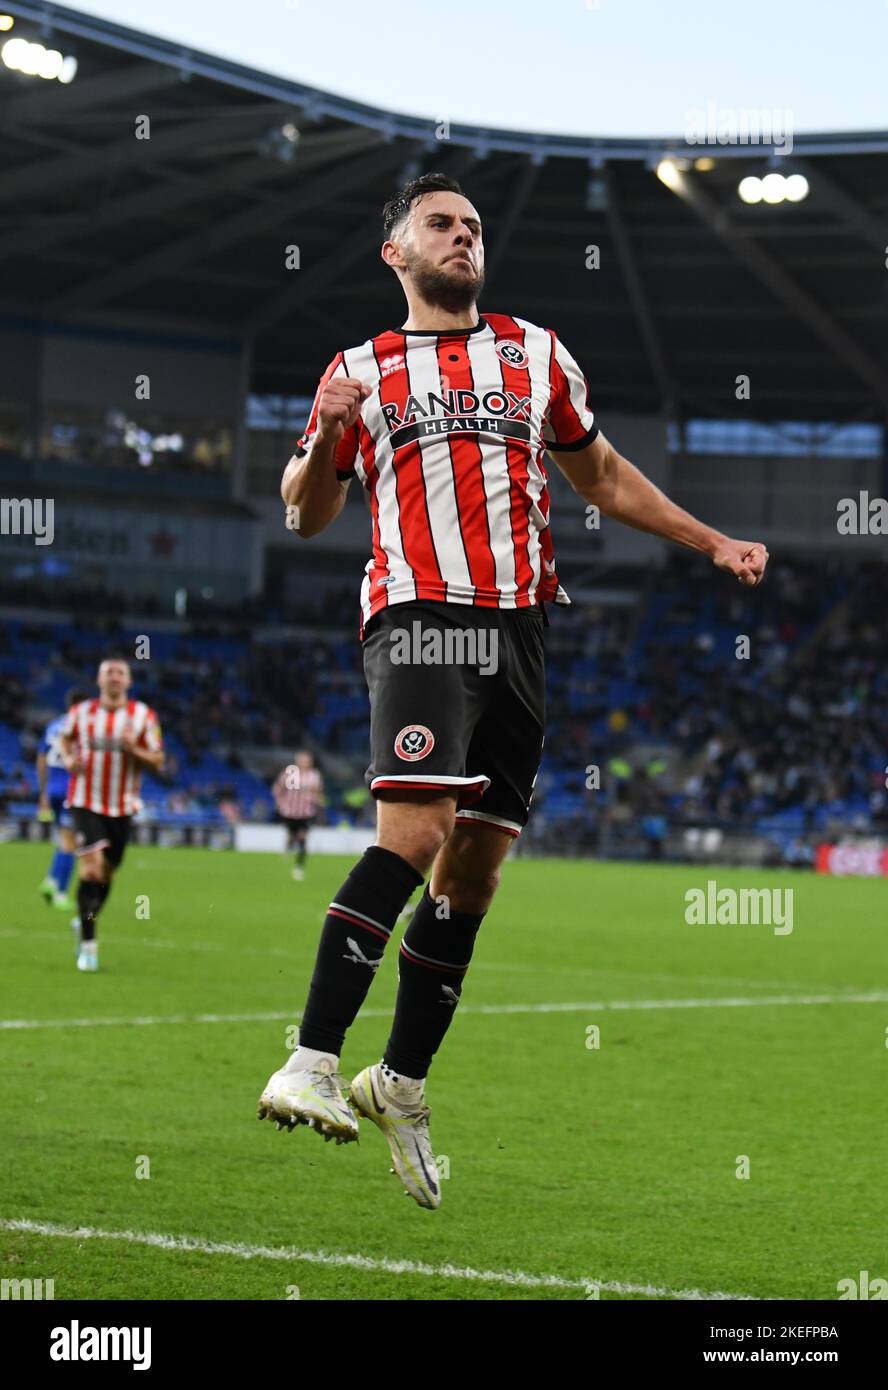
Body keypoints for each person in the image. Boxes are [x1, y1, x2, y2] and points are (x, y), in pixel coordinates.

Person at [259, 172, 769, 1207]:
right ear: (396, 252)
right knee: (414, 829)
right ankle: (310, 1058)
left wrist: (710, 537)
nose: (463, 236)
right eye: (441, 224)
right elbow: (306, 511)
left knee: (474, 872)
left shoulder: (537, 354)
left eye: (474, 226)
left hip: (522, 631)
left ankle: (398, 1079)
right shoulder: (359, 369)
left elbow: (604, 475)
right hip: (420, 616)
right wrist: (323, 434)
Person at [60, 656, 164, 972]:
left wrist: (134, 750)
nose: (115, 678)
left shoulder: (143, 715)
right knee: (91, 870)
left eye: (120, 673)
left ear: (129, 682)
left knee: (106, 874)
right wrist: (67, 759)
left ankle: (84, 920)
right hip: (84, 800)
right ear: (99, 679)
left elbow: (158, 760)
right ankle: (89, 948)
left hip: (122, 807)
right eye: (109, 673)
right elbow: (65, 739)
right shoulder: (81, 712)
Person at [36, 686, 89, 910]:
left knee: (65, 838)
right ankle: (57, 890)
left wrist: (43, 791)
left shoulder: (54, 725)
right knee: (73, 842)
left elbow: (41, 758)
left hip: (54, 789)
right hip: (71, 789)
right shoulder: (83, 727)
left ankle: (52, 881)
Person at [272, 750, 325, 879]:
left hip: (306, 812)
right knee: (292, 836)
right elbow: (278, 788)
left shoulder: (314, 775)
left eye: (307, 760)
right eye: (303, 759)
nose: (306, 762)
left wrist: (320, 803)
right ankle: (288, 846)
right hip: (289, 812)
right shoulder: (290, 772)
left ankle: (299, 867)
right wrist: (279, 802)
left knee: (302, 837)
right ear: (298, 760)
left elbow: (318, 792)